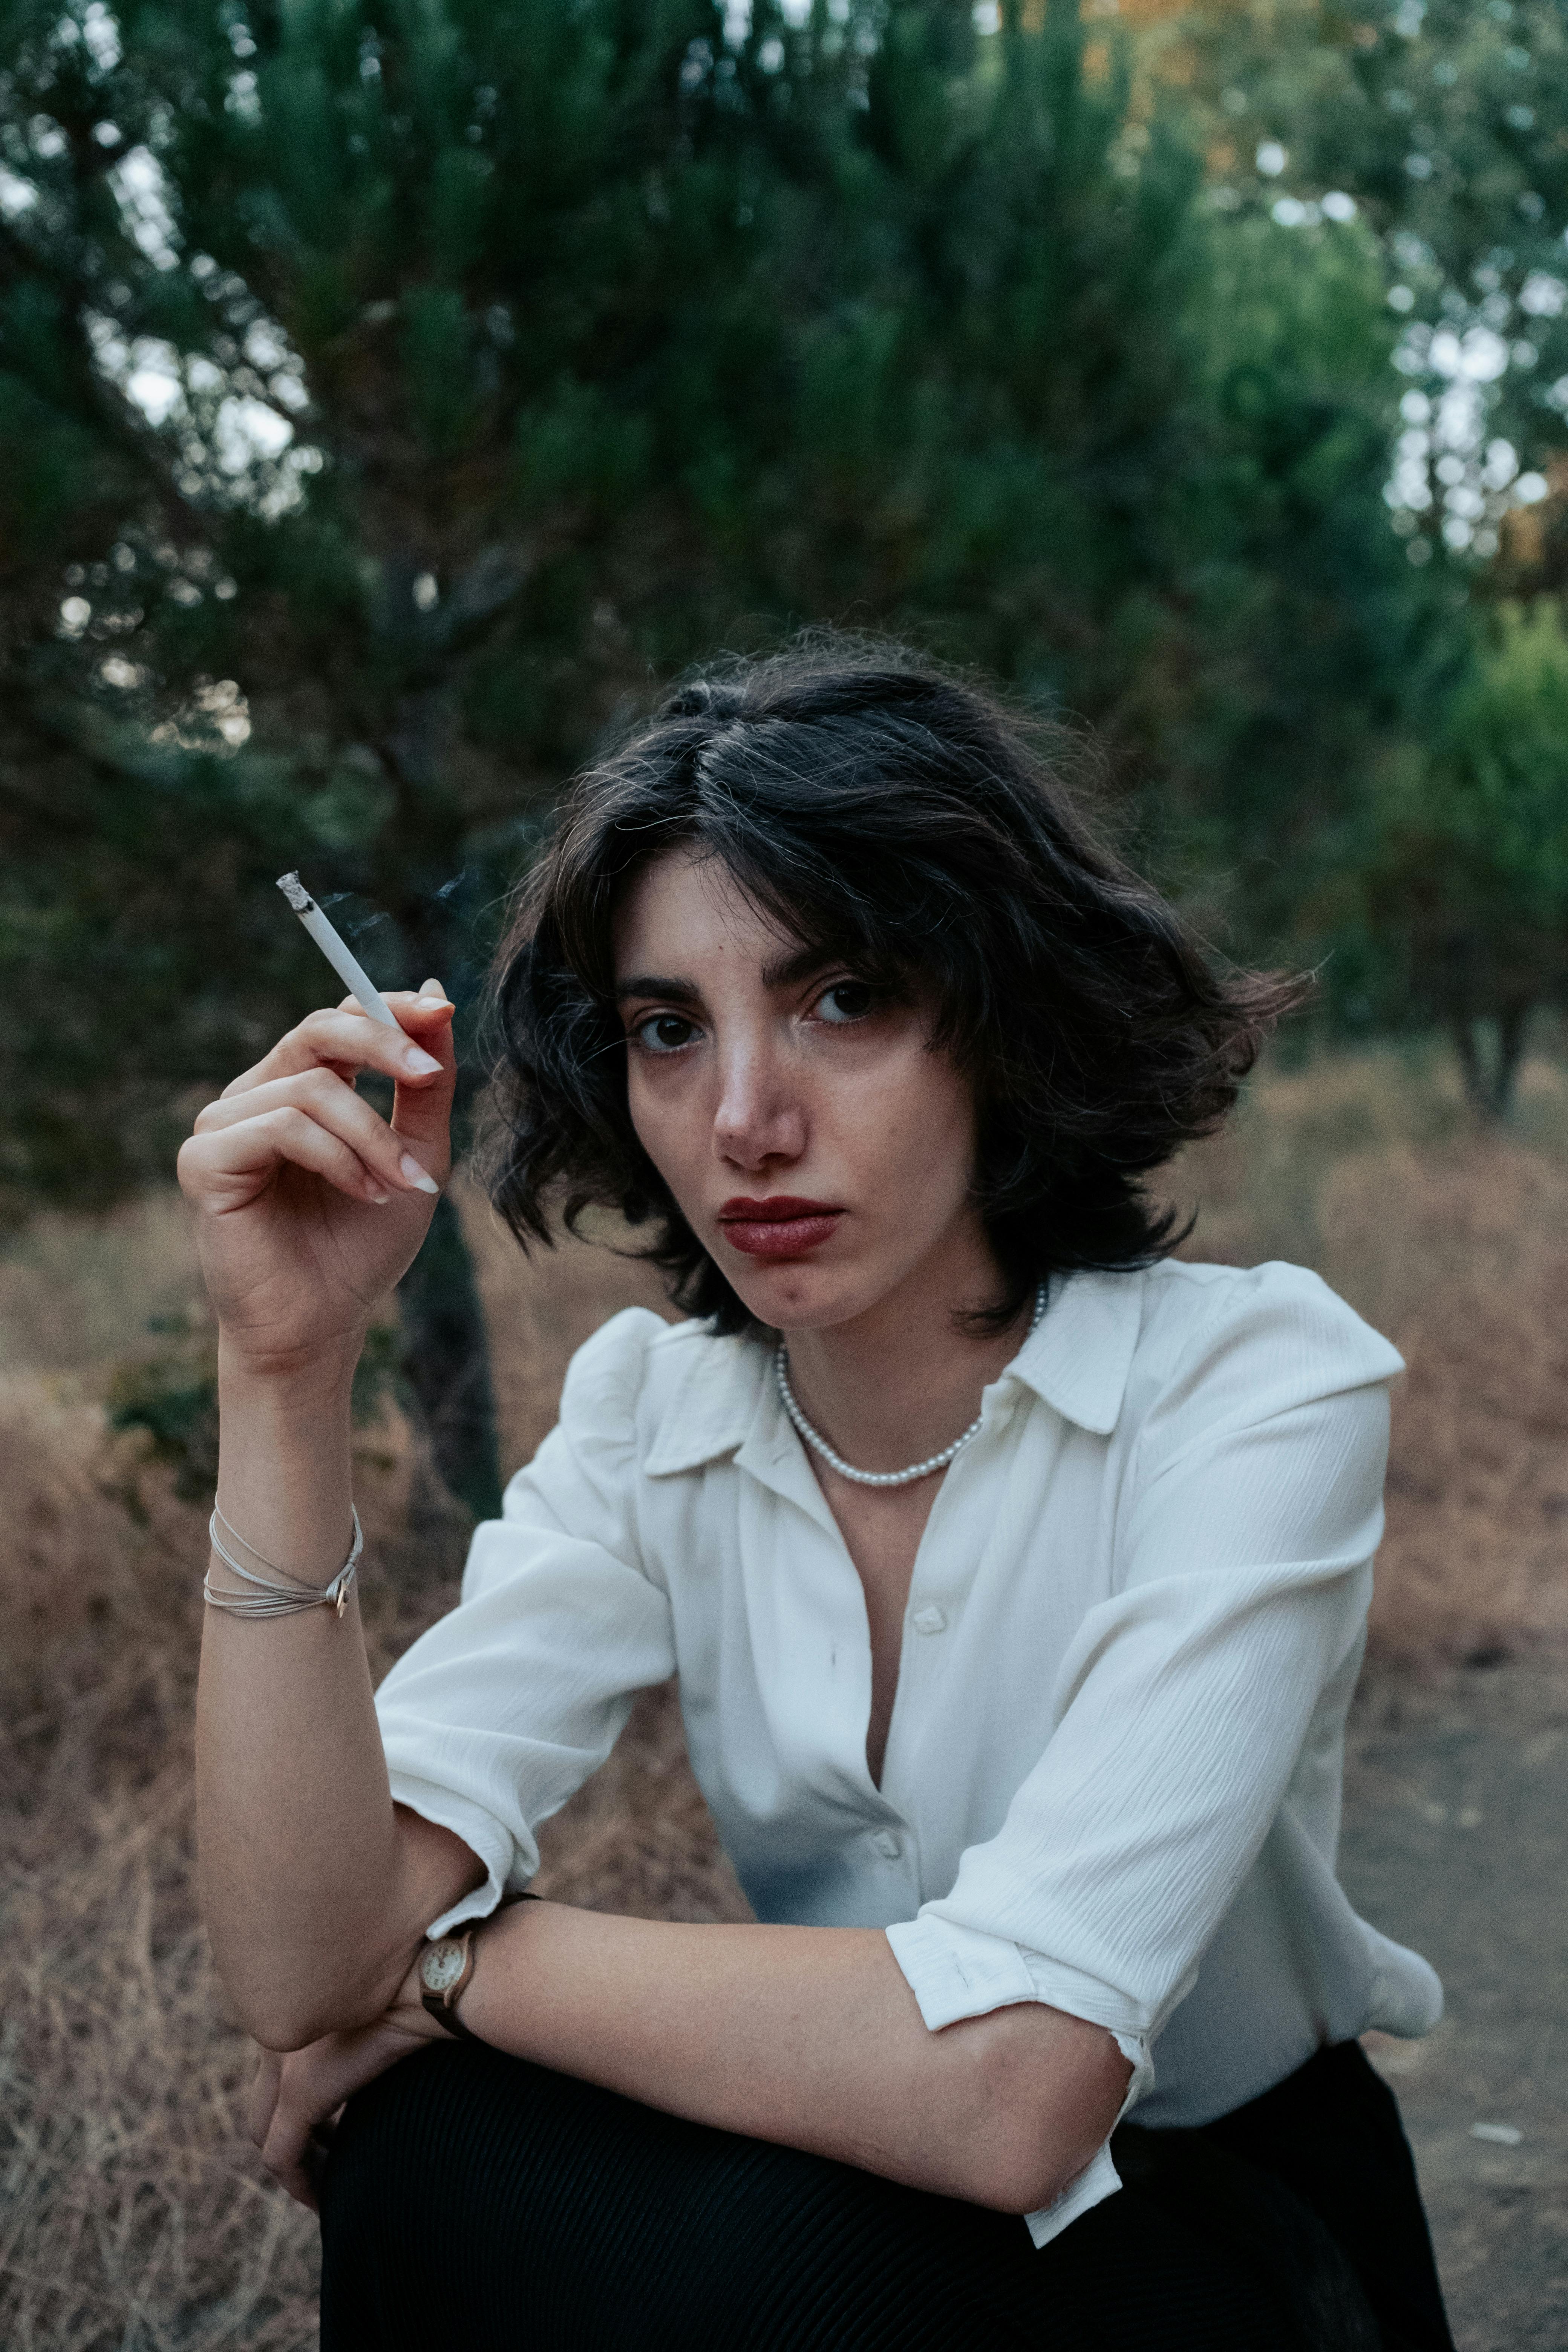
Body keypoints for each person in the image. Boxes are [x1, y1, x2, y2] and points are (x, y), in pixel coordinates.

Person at [181, 644, 1455, 2351]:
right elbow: (290, 1966)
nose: (744, 1121)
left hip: (1221, 2219)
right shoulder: (657, 1413)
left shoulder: (1250, 1387)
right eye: (666, 1029)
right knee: (416, 2152)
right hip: (858, 2170)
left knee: (759, 2273)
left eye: (842, 1000)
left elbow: (1016, 2087)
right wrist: (282, 1374)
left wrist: (444, 1969)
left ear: (993, 1017)